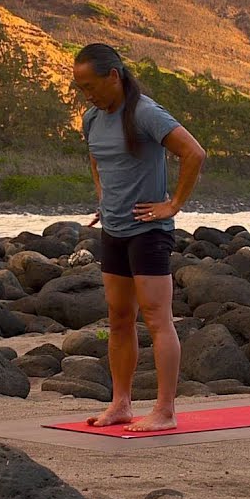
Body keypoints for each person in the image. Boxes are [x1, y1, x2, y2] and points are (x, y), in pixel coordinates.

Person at [73, 44, 206, 432]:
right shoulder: (91, 119)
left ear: (113, 76)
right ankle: (121, 404)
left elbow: (194, 153)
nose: (87, 94)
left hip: (148, 232)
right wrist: (104, 196)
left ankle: (164, 411)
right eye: (81, 88)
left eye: (90, 85)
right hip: (113, 230)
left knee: (156, 319)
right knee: (118, 318)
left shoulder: (146, 113)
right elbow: (97, 158)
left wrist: (173, 205)